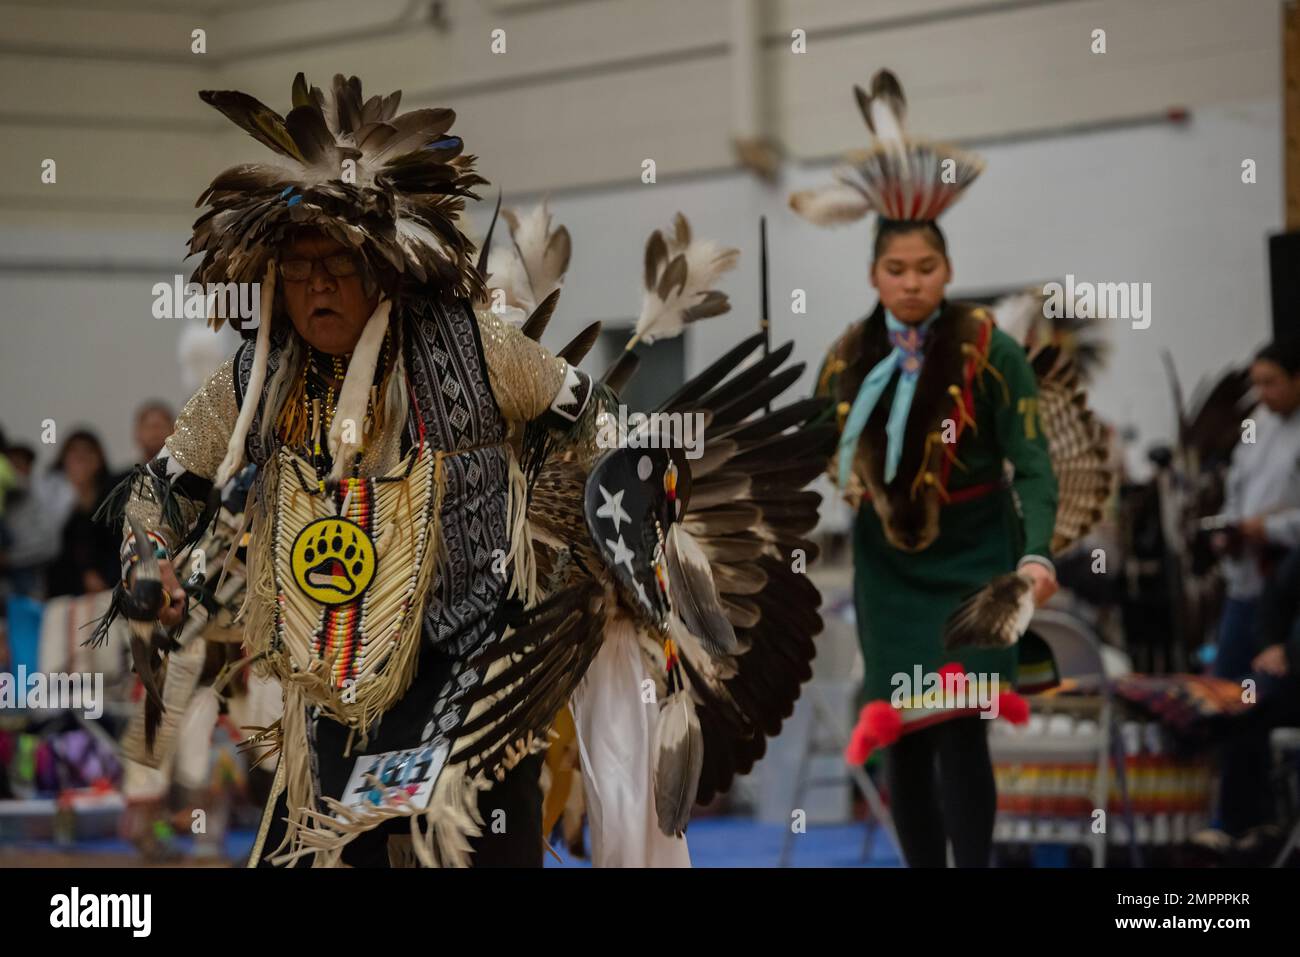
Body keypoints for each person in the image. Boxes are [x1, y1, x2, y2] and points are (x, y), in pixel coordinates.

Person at [97, 73, 832, 868]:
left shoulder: (477, 351)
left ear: (382, 263)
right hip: (332, 701)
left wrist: (631, 543)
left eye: (334, 262)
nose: (315, 286)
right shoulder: (260, 377)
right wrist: (146, 555)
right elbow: (167, 481)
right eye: (298, 266)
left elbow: (607, 426)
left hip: (472, 688)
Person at [792, 70, 1107, 867]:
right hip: (890, 566)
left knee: (962, 728)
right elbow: (822, 440)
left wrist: (1036, 553)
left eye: (925, 268)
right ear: (874, 274)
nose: (910, 283)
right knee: (902, 729)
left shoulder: (991, 350)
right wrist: (843, 472)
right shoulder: (845, 356)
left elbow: (1031, 464)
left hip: (975, 556)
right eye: (895, 269)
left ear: (946, 268)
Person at [1208, 339, 1300, 681]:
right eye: (1256, 383)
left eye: (1271, 382)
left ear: (1297, 379)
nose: (1262, 393)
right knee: (1228, 685)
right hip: (1245, 582)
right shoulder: (1256, 424)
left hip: (1289, 584)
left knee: (1272, 690)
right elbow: (1237, 484)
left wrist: (1273, 529)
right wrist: (1229, 528)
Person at [46, 430, 118, 598]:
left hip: (108, 592)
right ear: (63, 461)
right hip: (62, 594)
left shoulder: (113, 501)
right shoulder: (50, 501)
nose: (80, 459)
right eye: (74, 453)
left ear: (99, 460)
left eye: (87, 452)